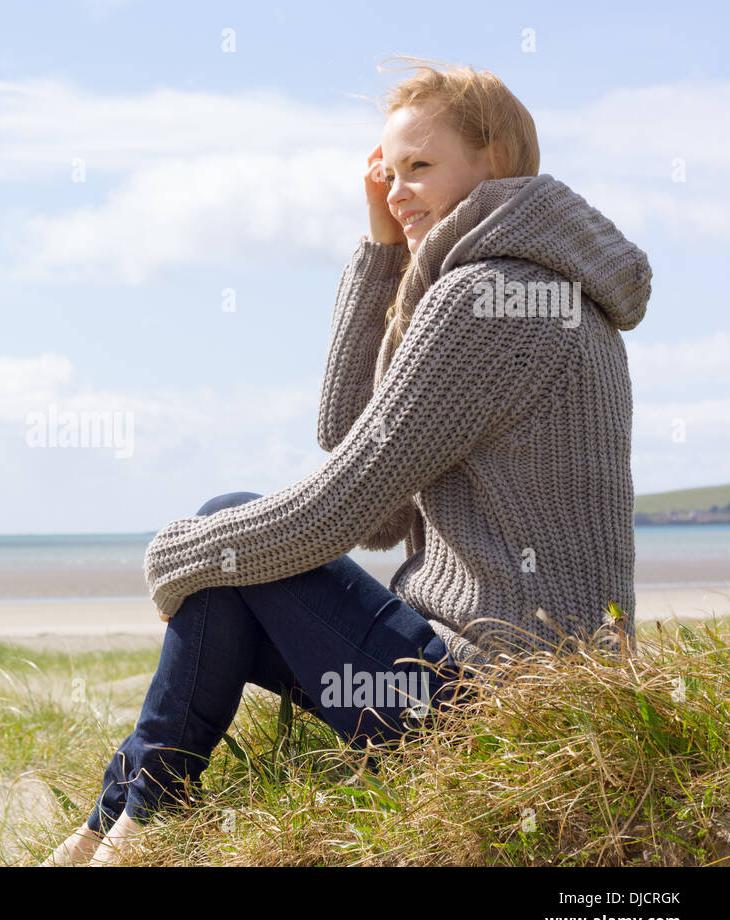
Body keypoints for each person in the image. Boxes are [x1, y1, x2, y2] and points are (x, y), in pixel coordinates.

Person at [42, 58, 652, 866]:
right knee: (229, 572)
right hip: (500, 685)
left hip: (487, 700)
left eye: (421, 167)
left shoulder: (491, 296)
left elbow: (345, 509)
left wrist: (173, 557)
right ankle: (129, 818)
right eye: (387, 173)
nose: (397, 190)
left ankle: (129, 824)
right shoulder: (535, 285)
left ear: (495, 158)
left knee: (225, 530)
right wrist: (382, 248)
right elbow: (351, 438)